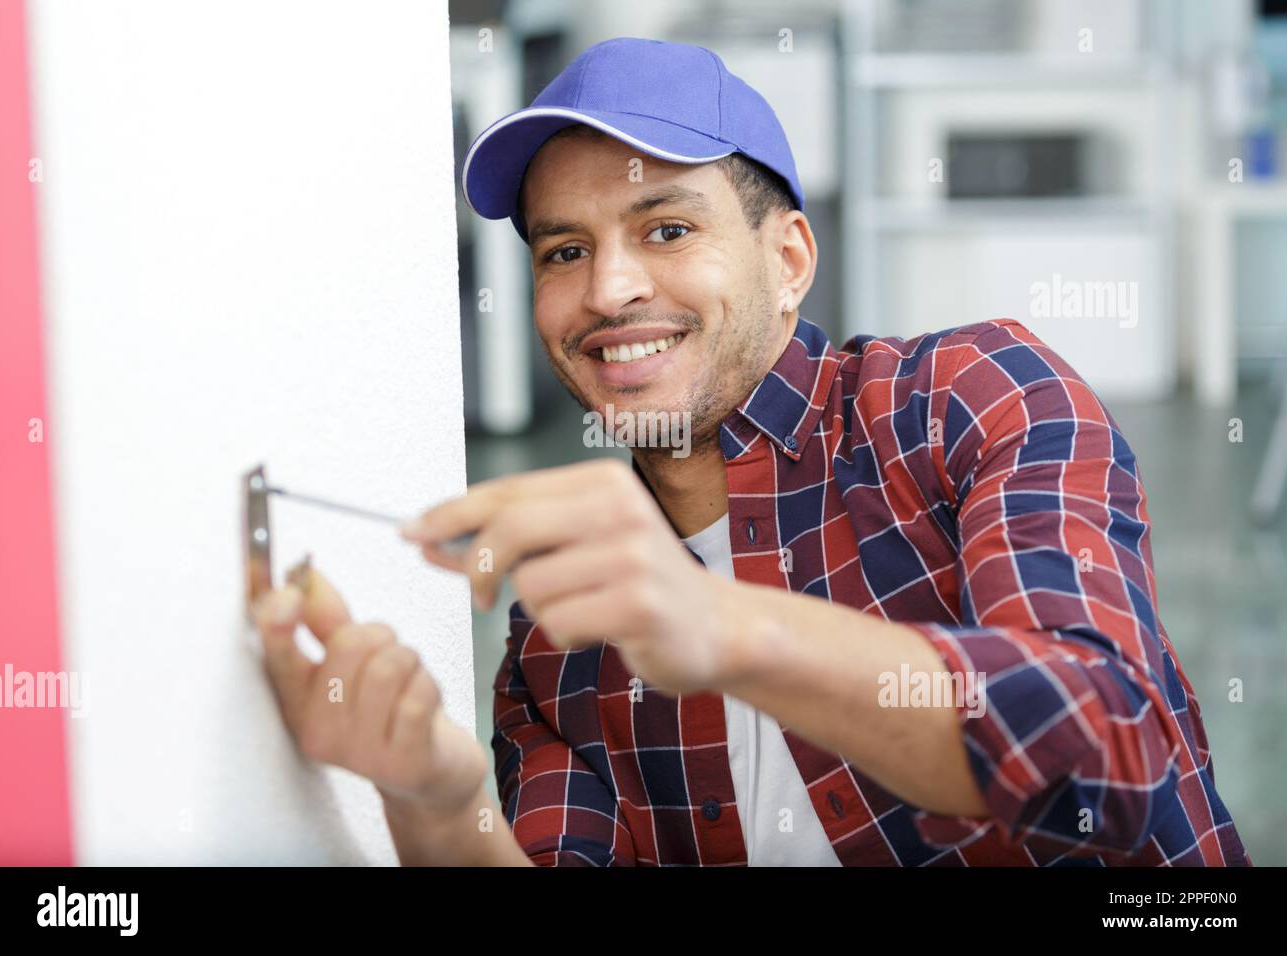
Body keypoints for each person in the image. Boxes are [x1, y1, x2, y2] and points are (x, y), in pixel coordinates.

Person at [253, 37, 1250, 866]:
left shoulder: (970, 399)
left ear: (787, 261)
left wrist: (724, 624)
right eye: (564, 250)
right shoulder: (560, 639)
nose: (607, 291)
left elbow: (1110, 750)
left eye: (667, 227)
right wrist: (434, 795)